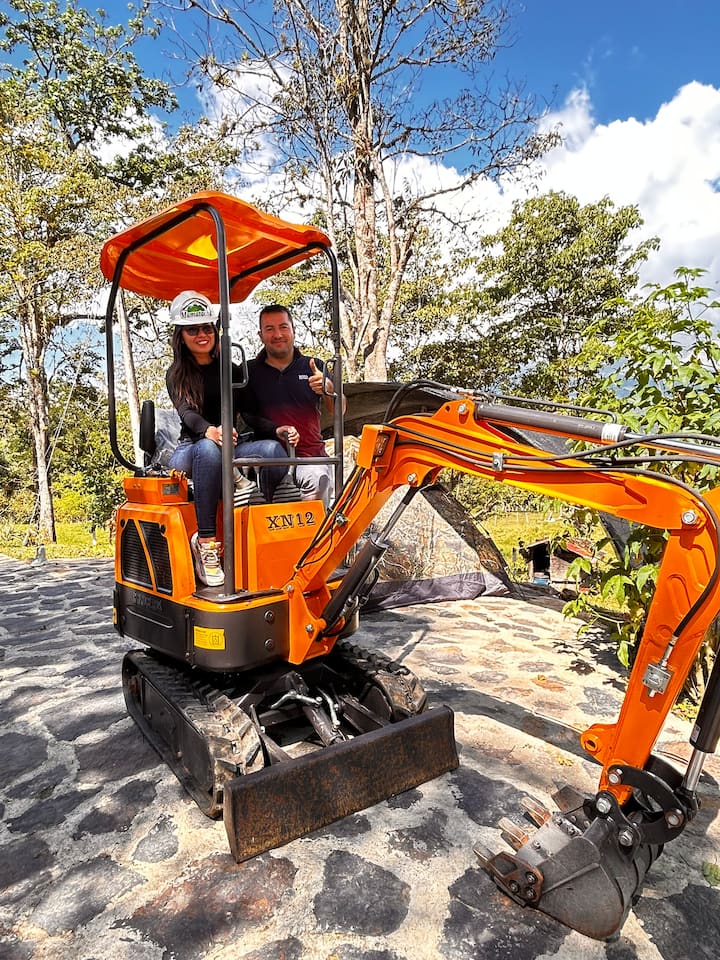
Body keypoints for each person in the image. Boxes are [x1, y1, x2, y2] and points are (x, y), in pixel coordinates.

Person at [165, 291, 288, 587]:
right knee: (210, 449)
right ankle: (207, 543)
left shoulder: (230, 370)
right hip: (191, 449)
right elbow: (187, 414)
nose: (202, 334)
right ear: (181, 336)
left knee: (272, 450)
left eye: (207, 327)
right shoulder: (177, 373)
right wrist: (210, 430)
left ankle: (261, 524)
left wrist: (276, 430)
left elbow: (250, 414)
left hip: (230, 444)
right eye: (193, 329)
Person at [239, 304, 345, 509]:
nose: (278, 334)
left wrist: (328, 389)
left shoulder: (314, 366)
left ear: (293, 330)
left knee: (320, 478)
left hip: (310, 456)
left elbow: (339, 410)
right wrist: (276, 430)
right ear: (260, 335)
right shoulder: (248, 371)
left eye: (283, 327)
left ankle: (313, 538)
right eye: (269, 329)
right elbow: (247, 415)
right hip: (270, 458)